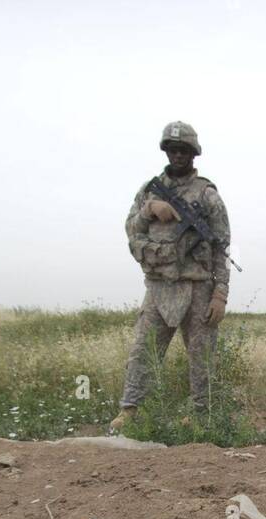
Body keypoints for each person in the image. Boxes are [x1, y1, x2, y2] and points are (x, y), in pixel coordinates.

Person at [110, 122, 232, 432]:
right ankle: (130, 411)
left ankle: (202, 416)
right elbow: (131, 230)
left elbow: (221, 247)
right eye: (173, 150)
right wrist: (151, 208)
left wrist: (220, 294)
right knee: (143, 350)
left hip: (197, 287)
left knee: (201, 357)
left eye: (184, 151)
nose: (178, 155)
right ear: (166, 151)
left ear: (193, 154)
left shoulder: (207, 195)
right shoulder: (149, 190)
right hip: (159, 286)